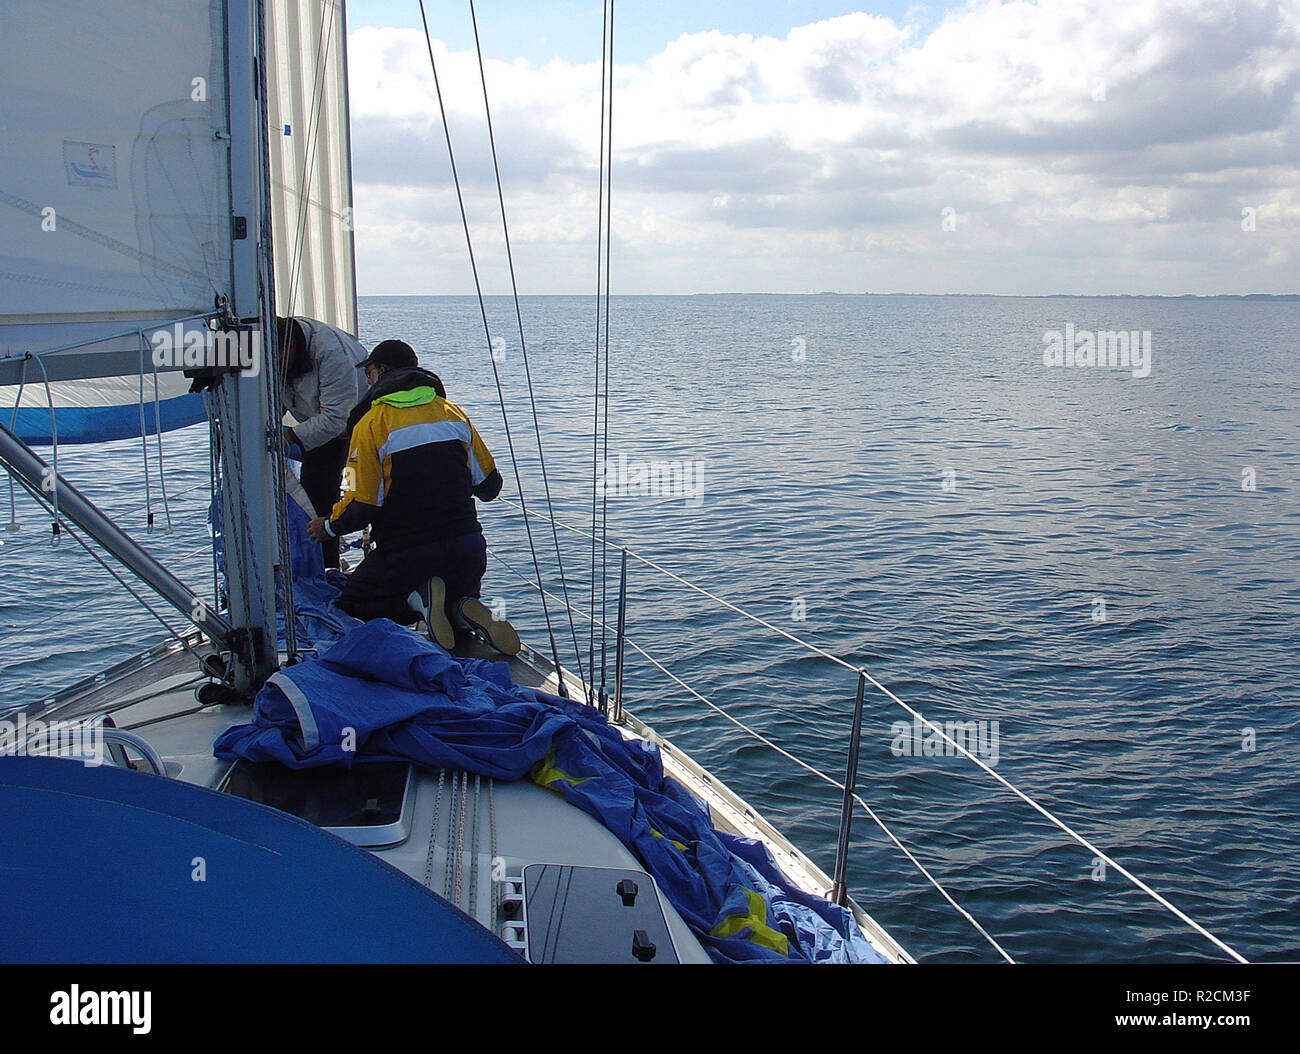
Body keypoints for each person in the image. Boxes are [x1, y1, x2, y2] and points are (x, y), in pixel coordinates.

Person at [306, 339, 520, 655]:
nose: (366, 381)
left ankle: (417, 599)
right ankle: (461, 609)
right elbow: (490, 487)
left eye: (368, 372)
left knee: (353, 604)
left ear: (381, 372)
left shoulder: (371, 424)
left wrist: (325, 527)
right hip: (468, 553)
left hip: (407, 554)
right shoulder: (452, 414)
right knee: (451, 597)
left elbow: (362, 504)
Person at [277, 316, 368, 570]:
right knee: (315, 499)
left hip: (354, 427)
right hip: (316, 426)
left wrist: (289, 437)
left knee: (360, 495)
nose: (274, 366)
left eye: (277, 359)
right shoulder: (275, 357)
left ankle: (345, 563)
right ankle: (322, 566)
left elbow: (338, 418)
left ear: (291, 348)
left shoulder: (330, 353)